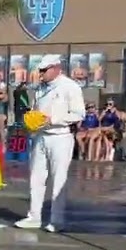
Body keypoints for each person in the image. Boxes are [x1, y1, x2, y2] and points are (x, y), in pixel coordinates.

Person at [15, 55, 85, 233]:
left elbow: (78, 114)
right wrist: (32, 121)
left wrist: (53, 119)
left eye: (44, 71)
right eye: (40, 71)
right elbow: (35, 110)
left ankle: (57, 219)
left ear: (56, 68)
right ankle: (34, 217)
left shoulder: (70, 87)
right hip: (40, 136)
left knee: (58, 179)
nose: (41, 74)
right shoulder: (40, 88)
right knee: (36, 178)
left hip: (60, 137)